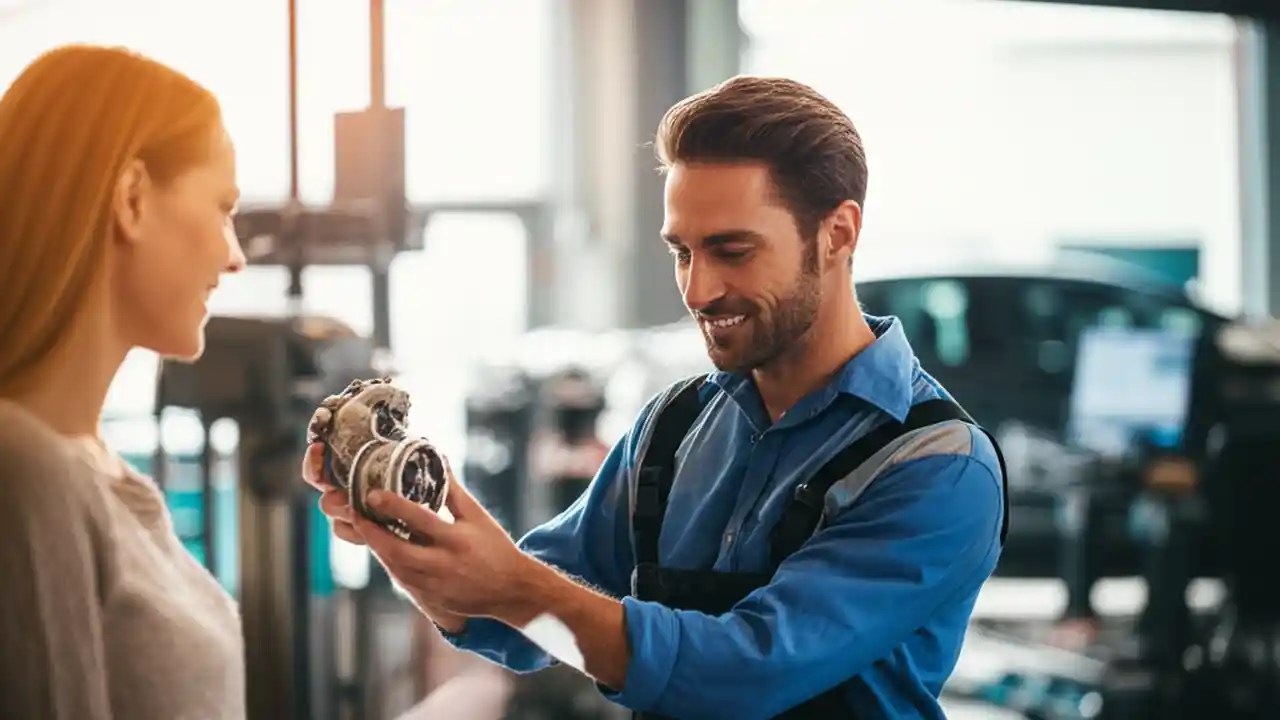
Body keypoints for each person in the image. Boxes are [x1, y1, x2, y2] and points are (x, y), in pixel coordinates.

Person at [305, 76, 1008, 719]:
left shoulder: (936, 465)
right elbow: (534, 631)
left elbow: (742, 673)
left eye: (732, 251)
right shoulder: (674, 427)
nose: (698, 291)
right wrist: (409, 542)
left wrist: (514, 585)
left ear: (838, 233)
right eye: (682, 252)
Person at [0, 45, 248, 719]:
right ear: (132, 198)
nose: (236, 256)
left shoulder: (97, 472)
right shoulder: (22, 471)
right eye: (223, 207)